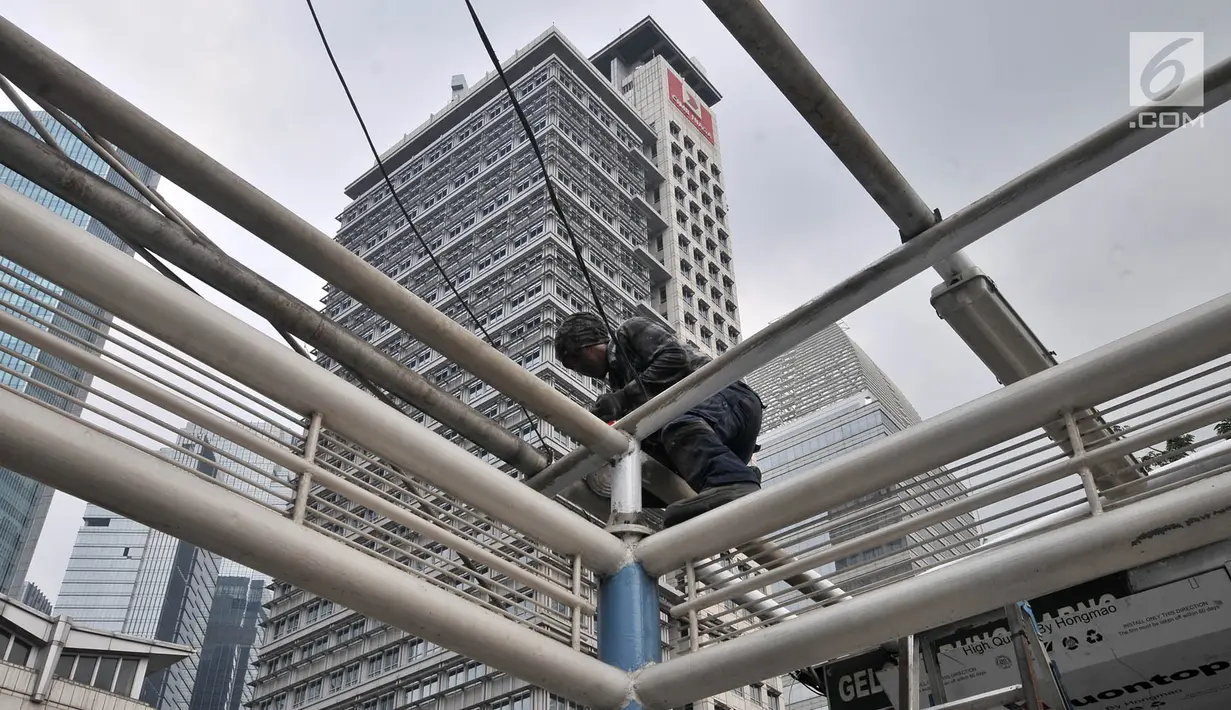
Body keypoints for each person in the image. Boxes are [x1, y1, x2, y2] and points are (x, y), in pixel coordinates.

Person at [553, 311, 764, 527]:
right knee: (636, 475)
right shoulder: (618, 380)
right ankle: (726, 483)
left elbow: (674, 357)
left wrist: (623, 398)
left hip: (724, 397)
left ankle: (733, 481)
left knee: (675, 426)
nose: (580, 370)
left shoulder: (628, 332)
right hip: (715, 436)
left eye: (575, 360)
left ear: (588, 343)